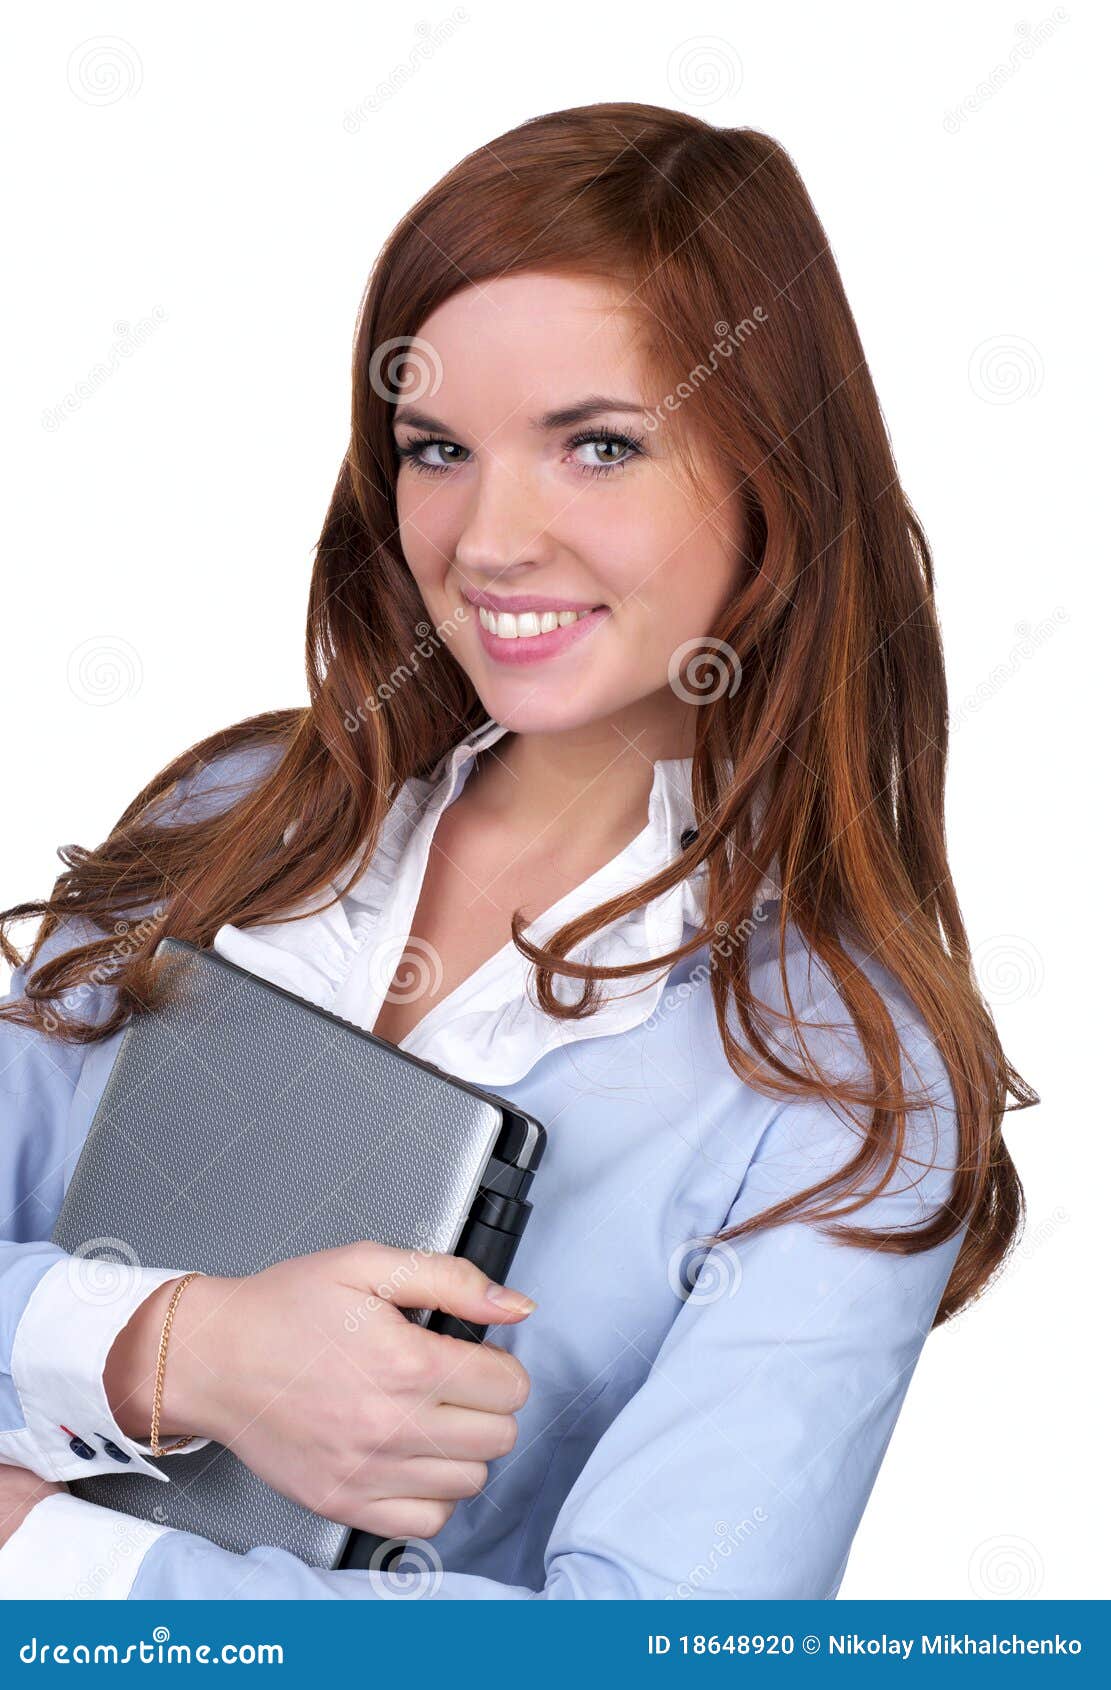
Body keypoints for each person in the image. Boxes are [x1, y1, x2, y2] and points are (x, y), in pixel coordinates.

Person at [0, 101, 1035, 1600]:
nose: (487, 540)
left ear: (777, 478)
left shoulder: (846, 1080)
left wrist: (44, 1554)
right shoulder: (240, 817)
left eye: (598, 446)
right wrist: (180, 1347)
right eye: (437, 448)